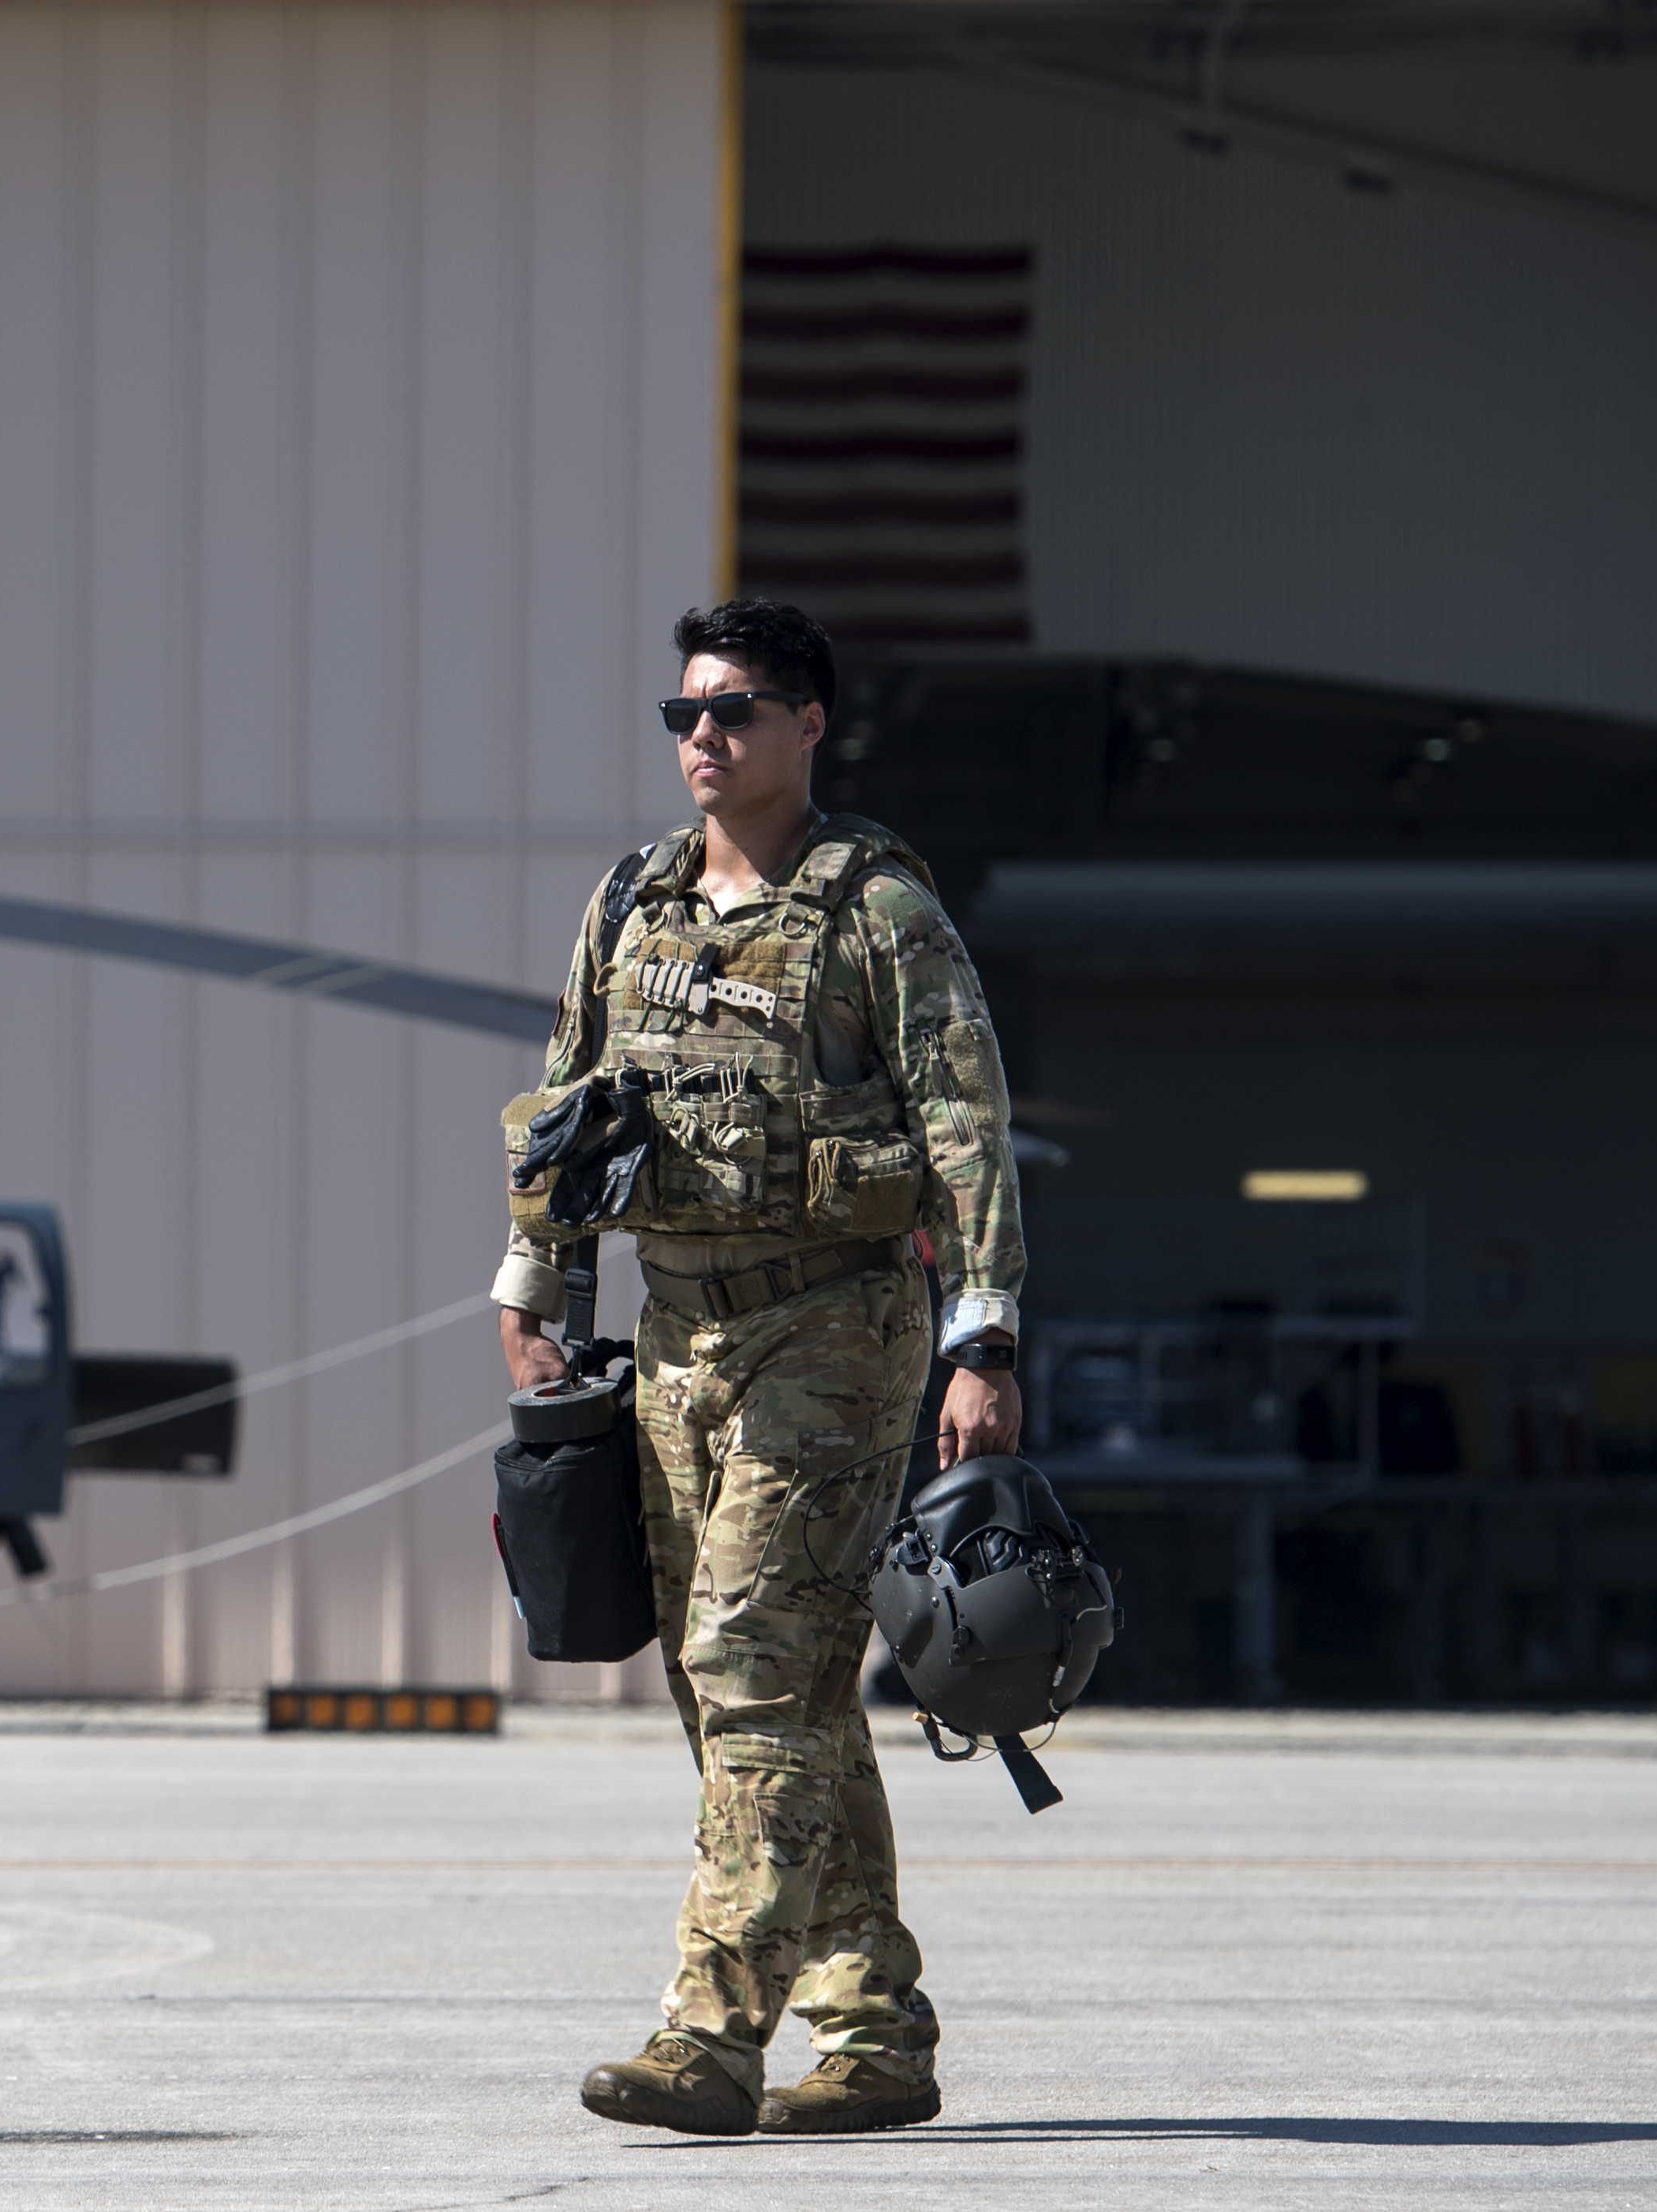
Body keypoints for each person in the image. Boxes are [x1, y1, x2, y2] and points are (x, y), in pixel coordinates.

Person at [493, 598, 1025, 2137]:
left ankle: (709, 2032)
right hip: (673, 1334)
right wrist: (534, 1280)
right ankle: (873, 2024)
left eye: (735, 709)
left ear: (810, 726)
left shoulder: (877, 910)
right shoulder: (633, 902)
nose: (703, 736)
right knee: (756, 1684)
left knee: (746, 1658)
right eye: (685, 713)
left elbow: (965, 1124)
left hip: (839, 1328)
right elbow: (568, 1100)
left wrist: (986, 1333)